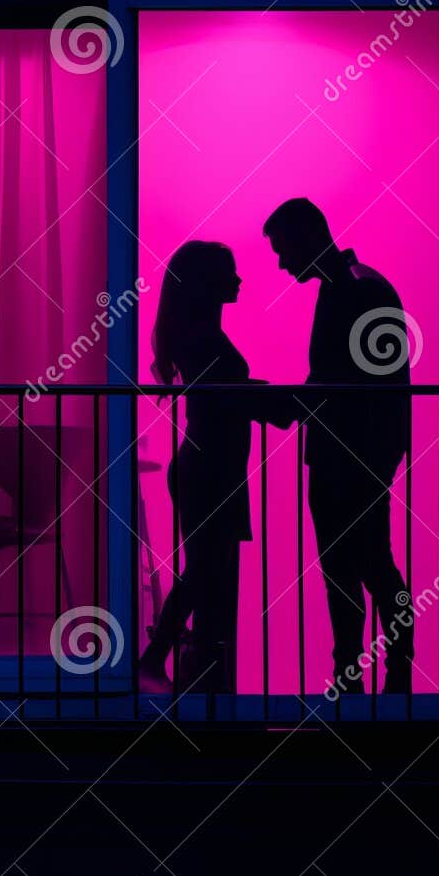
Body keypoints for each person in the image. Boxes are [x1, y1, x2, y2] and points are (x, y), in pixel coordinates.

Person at [263, 198, 413, 694]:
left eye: (285, 249)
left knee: (355, 564)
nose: (283, 263)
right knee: (365, 561)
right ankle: (380, 670)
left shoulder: (352, 290)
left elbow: (345, 382)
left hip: (348, 455)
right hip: (353, 452)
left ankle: (363, 673)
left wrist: (284, 404)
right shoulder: (355, 286)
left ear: (308, 236)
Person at [139, 241, 287, 693]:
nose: (238, 280)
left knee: (211, 570)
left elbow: (229, 390)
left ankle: (195, 664)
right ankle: (158, 657)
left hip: (212, 467)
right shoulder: (204, 338)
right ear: (206, 283)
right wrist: (285, 402)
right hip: (210, 469)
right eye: (229, 272)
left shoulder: (198, 336)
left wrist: (270, 399)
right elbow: (229, 394)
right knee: (207, 568)